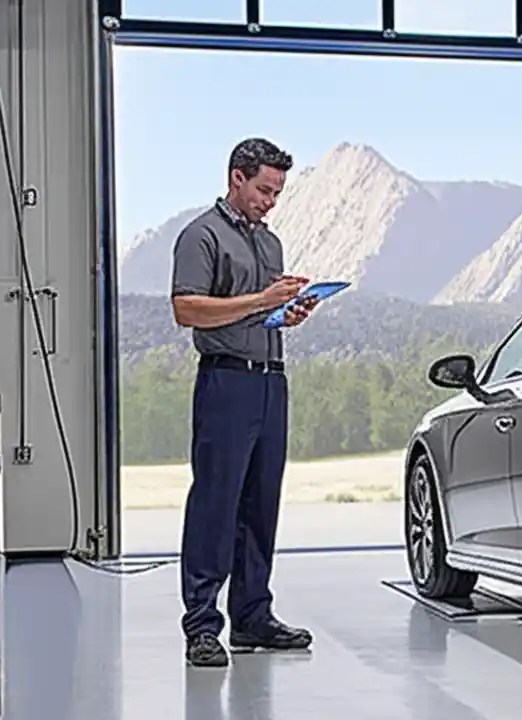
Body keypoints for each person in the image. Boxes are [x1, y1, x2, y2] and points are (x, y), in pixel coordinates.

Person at [169, 137, 318, 667]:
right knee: (216, 502)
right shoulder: (200, 236)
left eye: (277, 192)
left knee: (261, 503)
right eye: (263, 189)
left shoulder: (270, 243)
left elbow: (254, 313)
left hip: (270, 381)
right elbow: (187, 309)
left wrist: (286, 312)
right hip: (226, 382)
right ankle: (203, 626)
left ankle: (253, 617)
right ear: (236, 177)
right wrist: (262, 300)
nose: (270, 201)